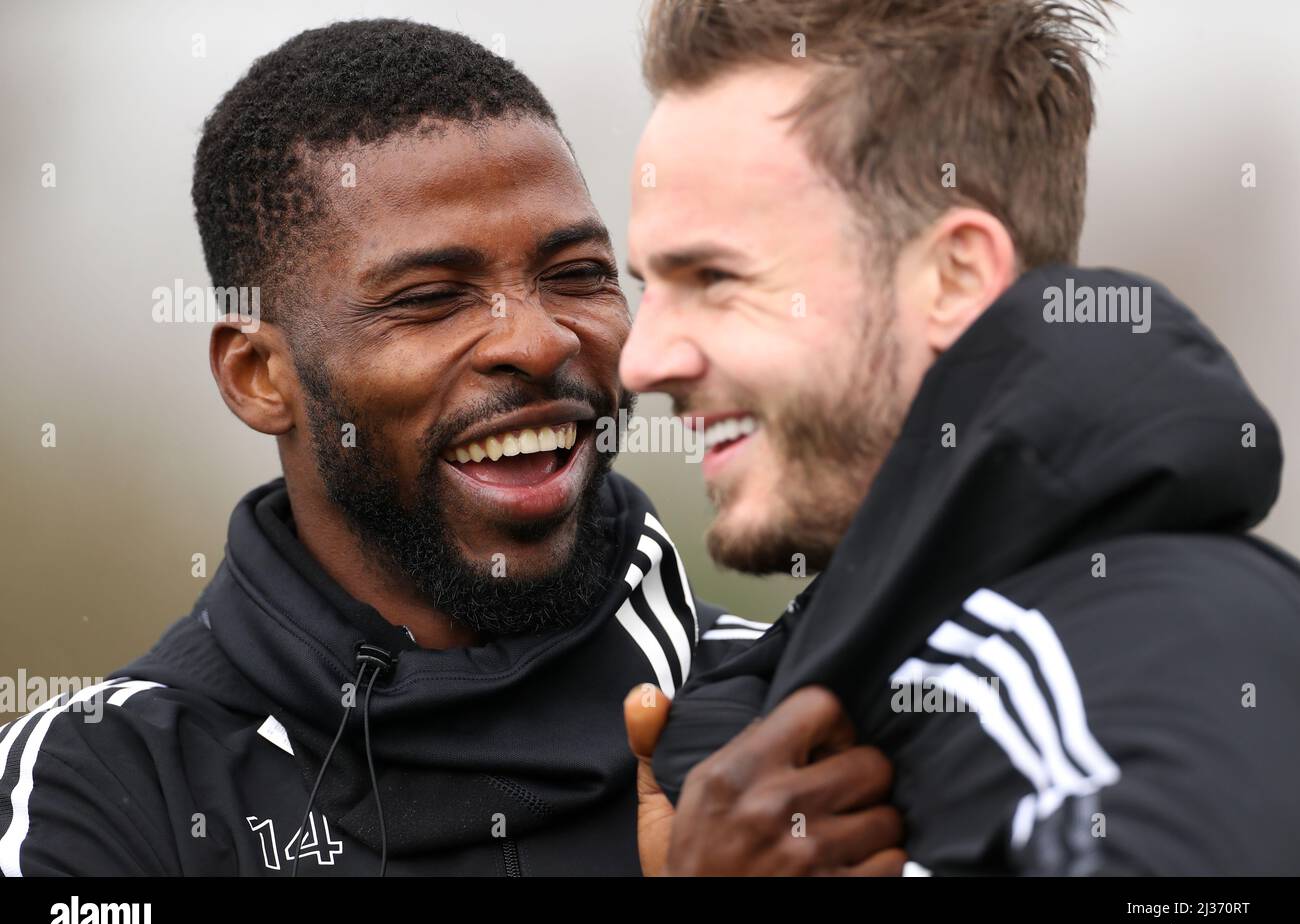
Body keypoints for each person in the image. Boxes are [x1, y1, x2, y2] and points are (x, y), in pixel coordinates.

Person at [0, 19, 902, 876]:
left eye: (577, 275)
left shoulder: (809, 715)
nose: (540, 339)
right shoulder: (106, 783)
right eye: (432, 297)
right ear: (257, 376)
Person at [622, 0, 1300, 874]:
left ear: (953, 277)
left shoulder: (1179, 652)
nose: (643, 361)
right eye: (650, 288)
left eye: (715, 277)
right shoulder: (852, 680)